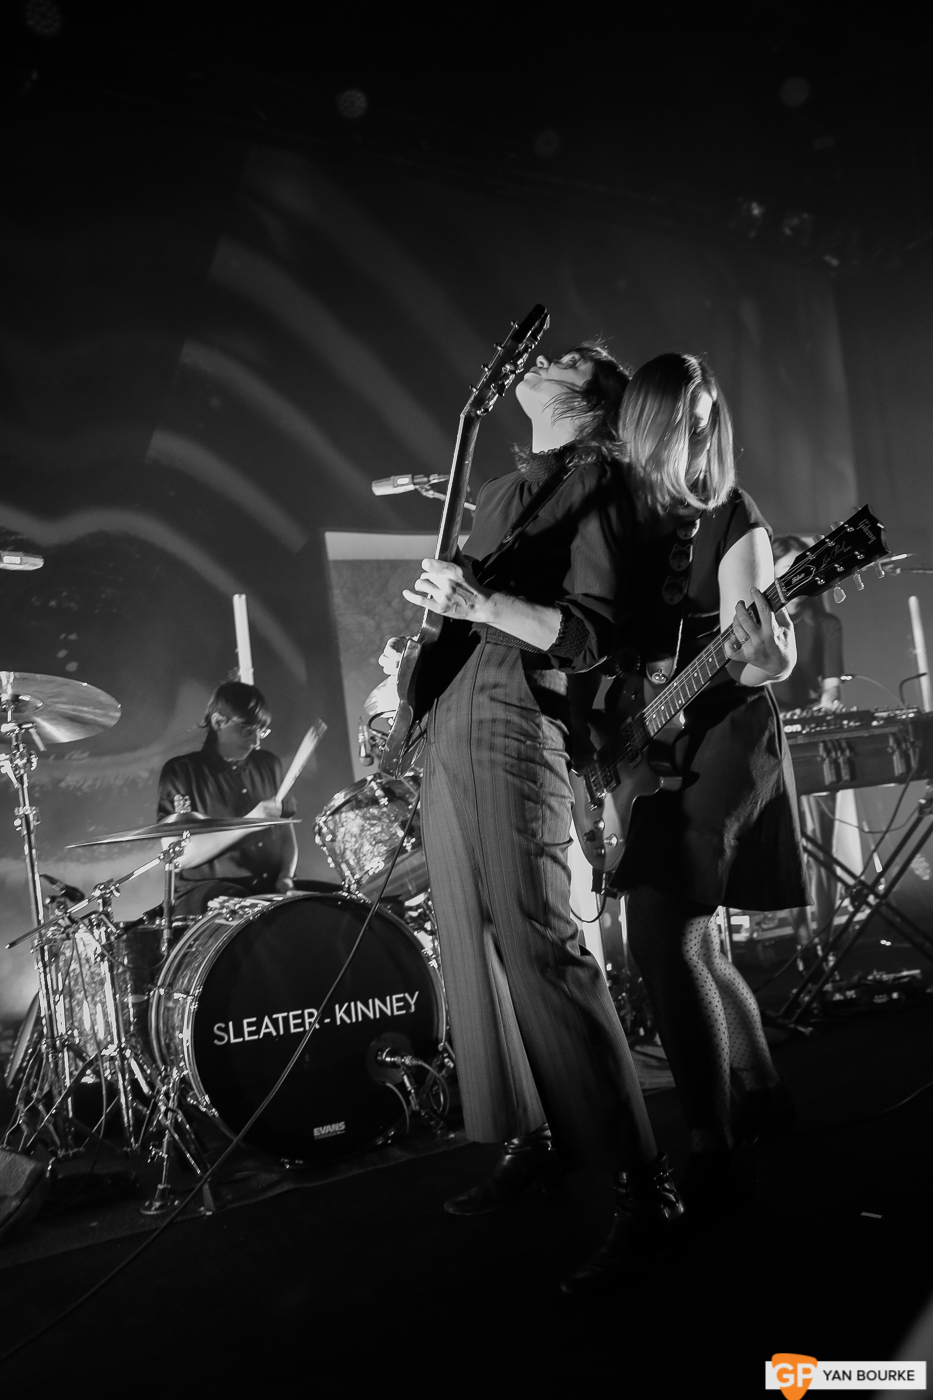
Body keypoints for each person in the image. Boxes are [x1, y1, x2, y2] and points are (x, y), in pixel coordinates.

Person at [382, 340, 682, 1298]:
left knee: (544, 946)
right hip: (452, 724)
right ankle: (542, 1137)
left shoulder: (604, 483)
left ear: (591, 401)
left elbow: (591, 634)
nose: (537, 358)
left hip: (518, 716)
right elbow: (471, 613)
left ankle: (646, 1187)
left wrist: (477, 599)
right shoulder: (506, 491)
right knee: (473, 947)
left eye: (563, 358)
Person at [603, 353, 807, 1205]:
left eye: (706, 412)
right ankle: (761, 1089)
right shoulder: (613, 518)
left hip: (725, 732)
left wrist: (768, 652)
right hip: (648, 747)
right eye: (683, 411)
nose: (699, 425)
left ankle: (707, 1142)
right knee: (696, 939)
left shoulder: (734, 516)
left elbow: (763, 655)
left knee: (660, 923)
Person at [770, 534, 856, 949]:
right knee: (789, 843)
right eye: (786, 573)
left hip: (810, 739)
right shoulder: (763, 626)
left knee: (823, 840)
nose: (795, 582)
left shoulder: (826, 625)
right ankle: (803, 941)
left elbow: (831, 692)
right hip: (770, 740)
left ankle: (828, 937)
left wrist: (827, 705)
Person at [156, 680, 297, 918]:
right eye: (247, 730)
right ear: (218, 721)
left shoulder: (269, 764)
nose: (256, 741)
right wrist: (247, 823)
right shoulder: (182, 771)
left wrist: (286, 876)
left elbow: (286, 834)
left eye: (261, 731)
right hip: (203, 894)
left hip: (265, 891)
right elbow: (180, 856)